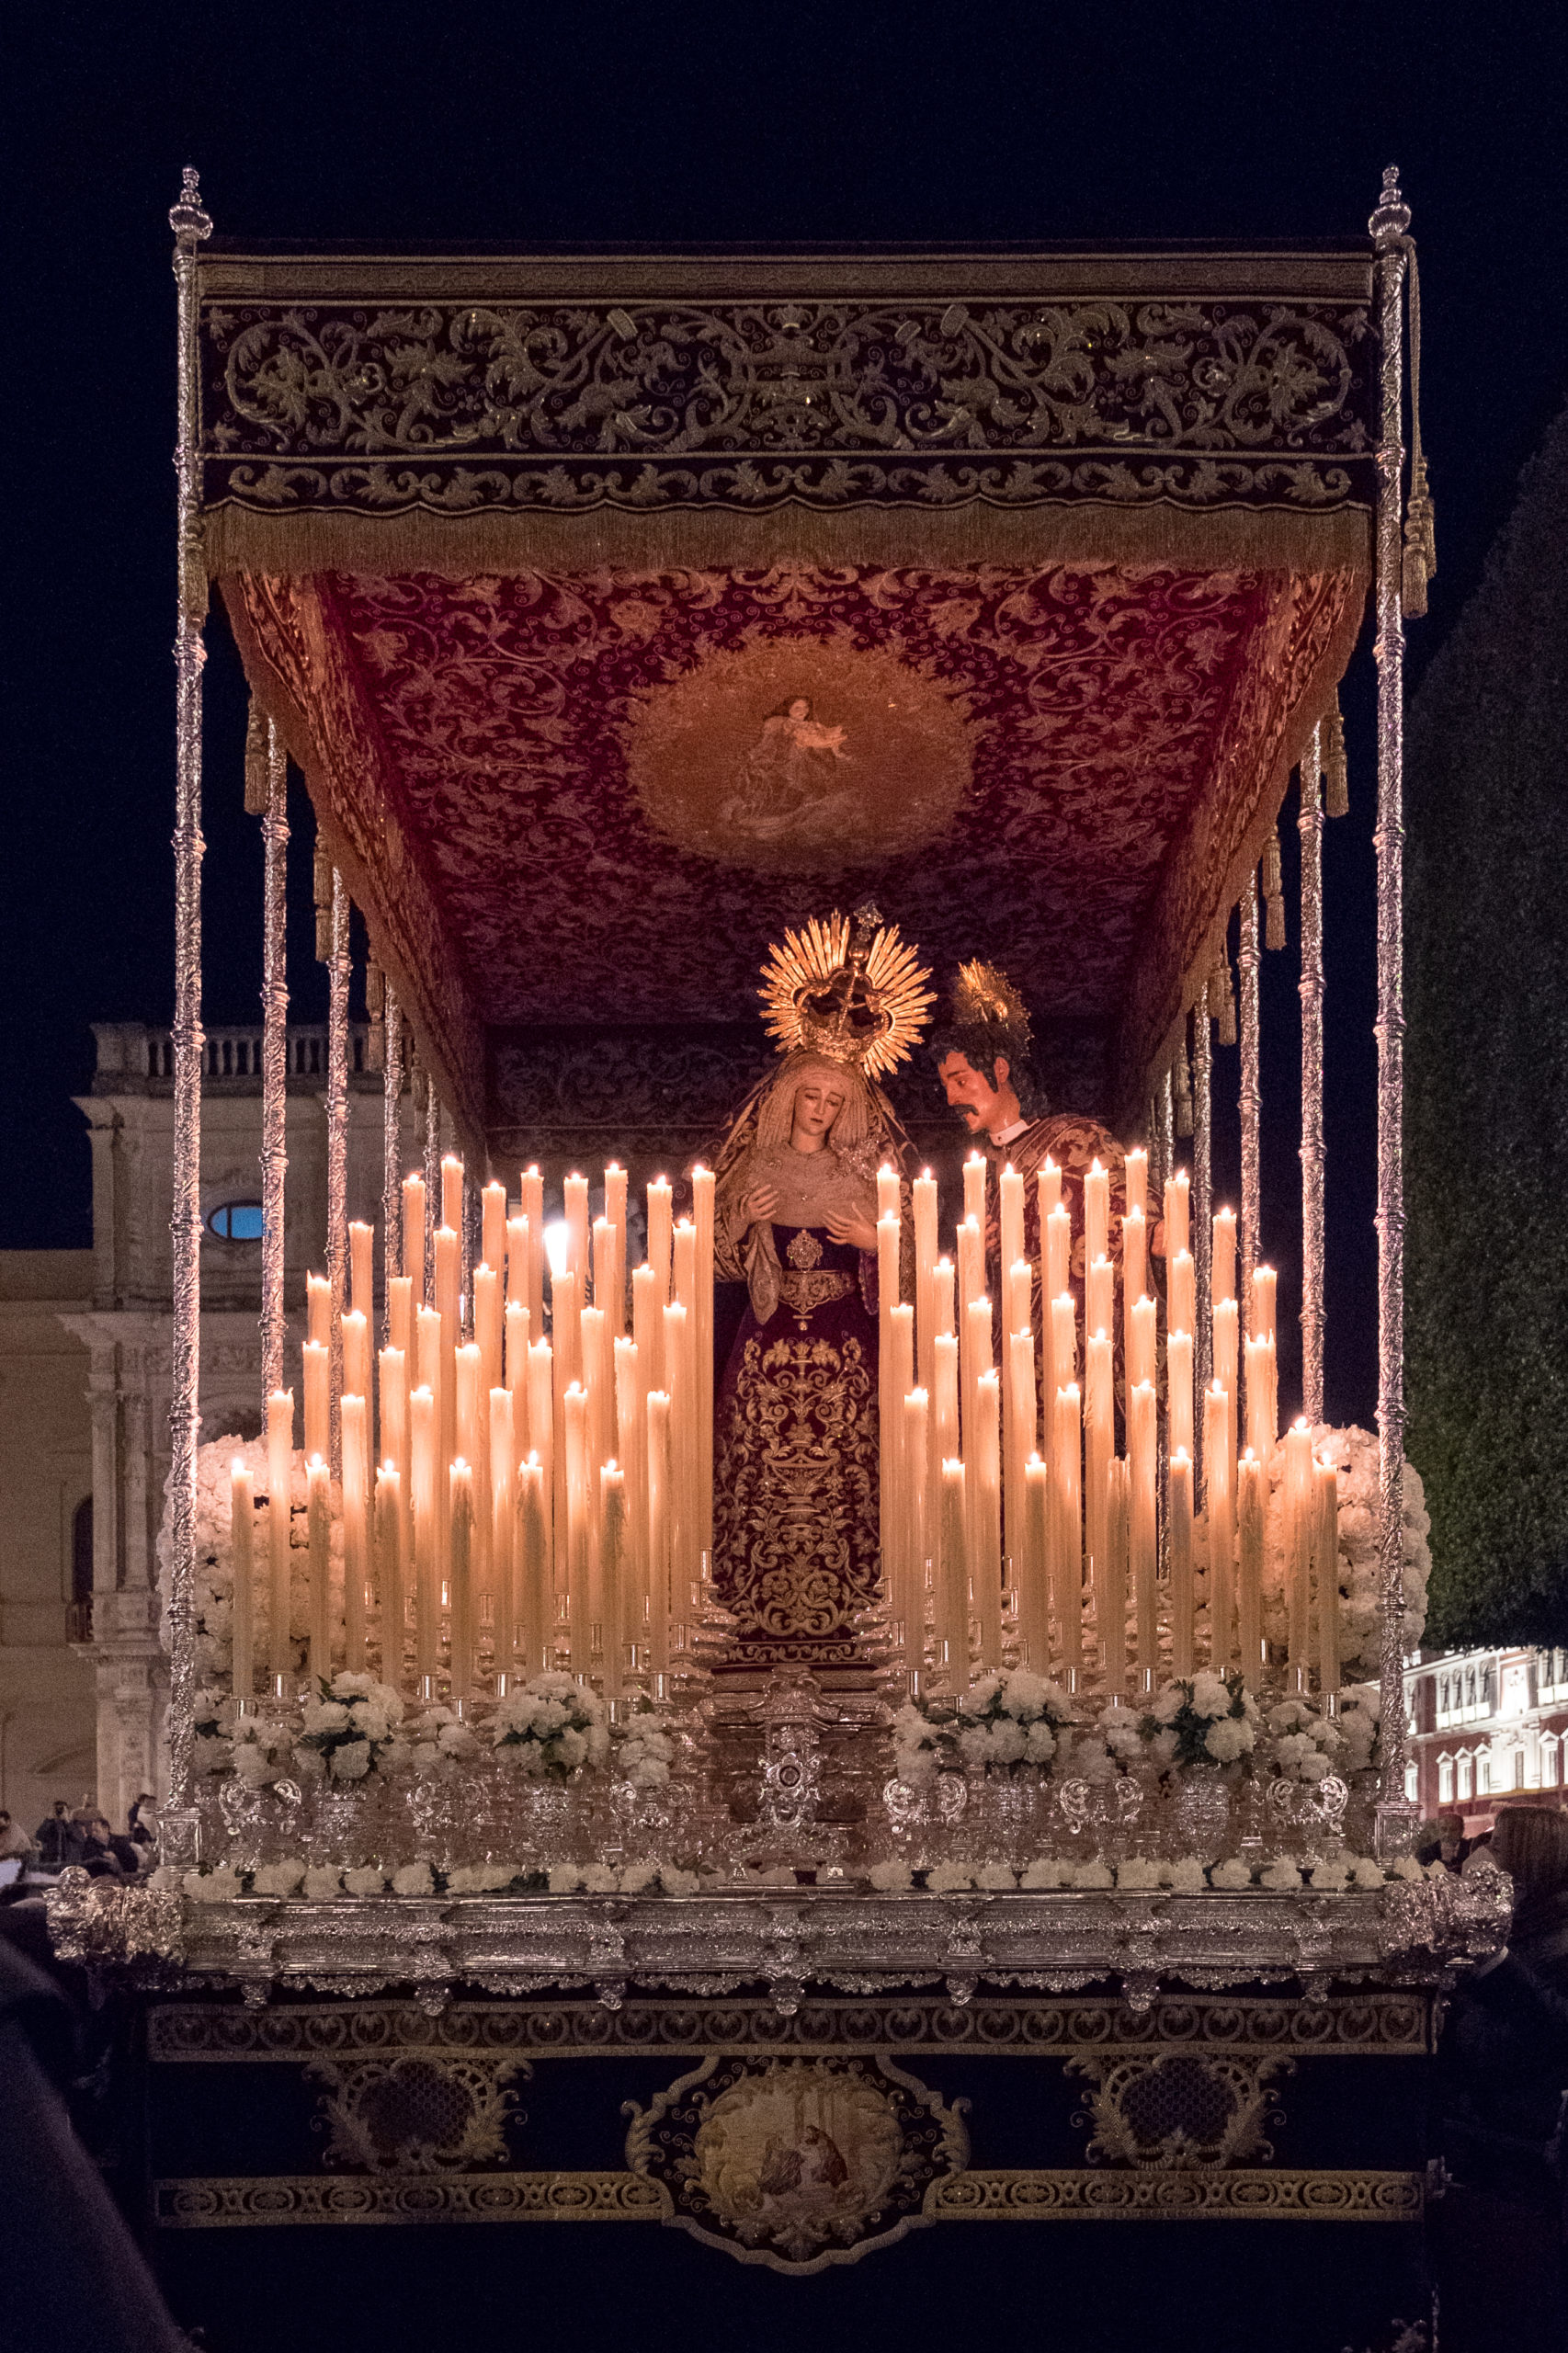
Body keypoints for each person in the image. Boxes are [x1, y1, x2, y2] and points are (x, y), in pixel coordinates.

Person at [711, 1049, 910, 1679]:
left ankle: (854, 1605)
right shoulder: (753, 1165)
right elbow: (712, 1262)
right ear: (789, 1099)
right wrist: (741, 1221)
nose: (821, 1110)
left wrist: (875, 1243)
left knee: (851, 1468)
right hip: (765, 1348)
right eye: (811, 1096)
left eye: (834, 1100)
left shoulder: (863, 1172)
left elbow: (910, 1266)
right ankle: (753, 1609)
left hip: (846, 1351)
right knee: (756, 1465)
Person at [930, 961, 1153, 1351]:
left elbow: (1135, 1209)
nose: (952, 1099)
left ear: (999, 1070)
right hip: (1006, 1345)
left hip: (1080, 1339)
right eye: (946, 1088)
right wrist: (973, 1255)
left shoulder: (1076, 1139)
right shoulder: (969, 1173)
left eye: (961, 1081)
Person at [1436, 1805, 1568, 2344]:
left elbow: (1555, 2024)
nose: (1485, 1855)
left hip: (1518, 2133)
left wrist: (1495, 1965)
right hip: (1486, 2121)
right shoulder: (1529, 1920)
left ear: (1528, 1862)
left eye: (1501, 1846)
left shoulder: (1556, 1933)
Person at [33, 1801, 79, 1871]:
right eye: (66, 1811)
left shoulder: (66, 1825)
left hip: (63, 1862)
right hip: (51, 1862)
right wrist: (48, 1819)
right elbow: (39, 1836)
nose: (60, 1812)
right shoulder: (50, 1824)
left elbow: (76, 1838)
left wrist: (67, 1822)